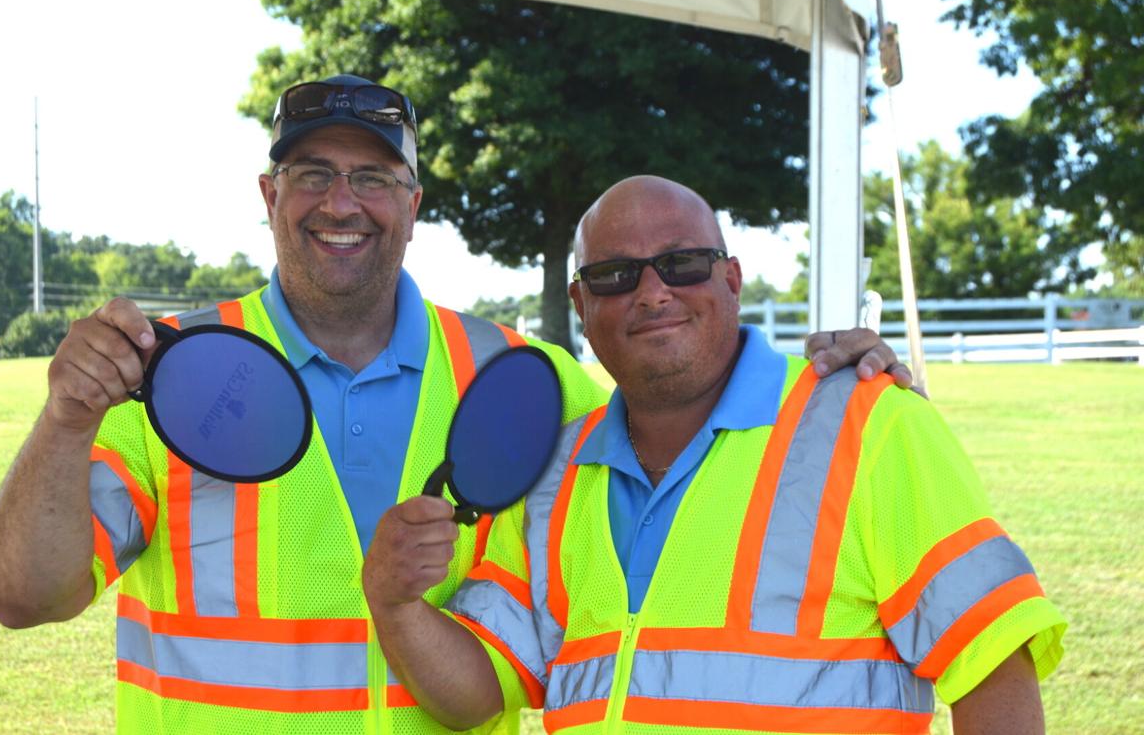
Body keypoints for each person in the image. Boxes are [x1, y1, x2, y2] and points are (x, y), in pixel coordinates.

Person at [0, 75, 906, 734]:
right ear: (269, 195)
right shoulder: (169, 373)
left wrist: (847, 379)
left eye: (374, 177)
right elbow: (24, 597)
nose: (342, 202)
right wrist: (66, 418)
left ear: (414, 203)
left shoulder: (527, 377)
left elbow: (690, 418)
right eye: (312, 173)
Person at [362, 175, 1068, 734]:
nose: (653, 292)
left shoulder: (870, 423)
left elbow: (993, 663)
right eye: (615, 275)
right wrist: (394, 604)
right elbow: (478, 689)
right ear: (580, 303)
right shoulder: (556, 475)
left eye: (682, 264)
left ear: (730, 278)